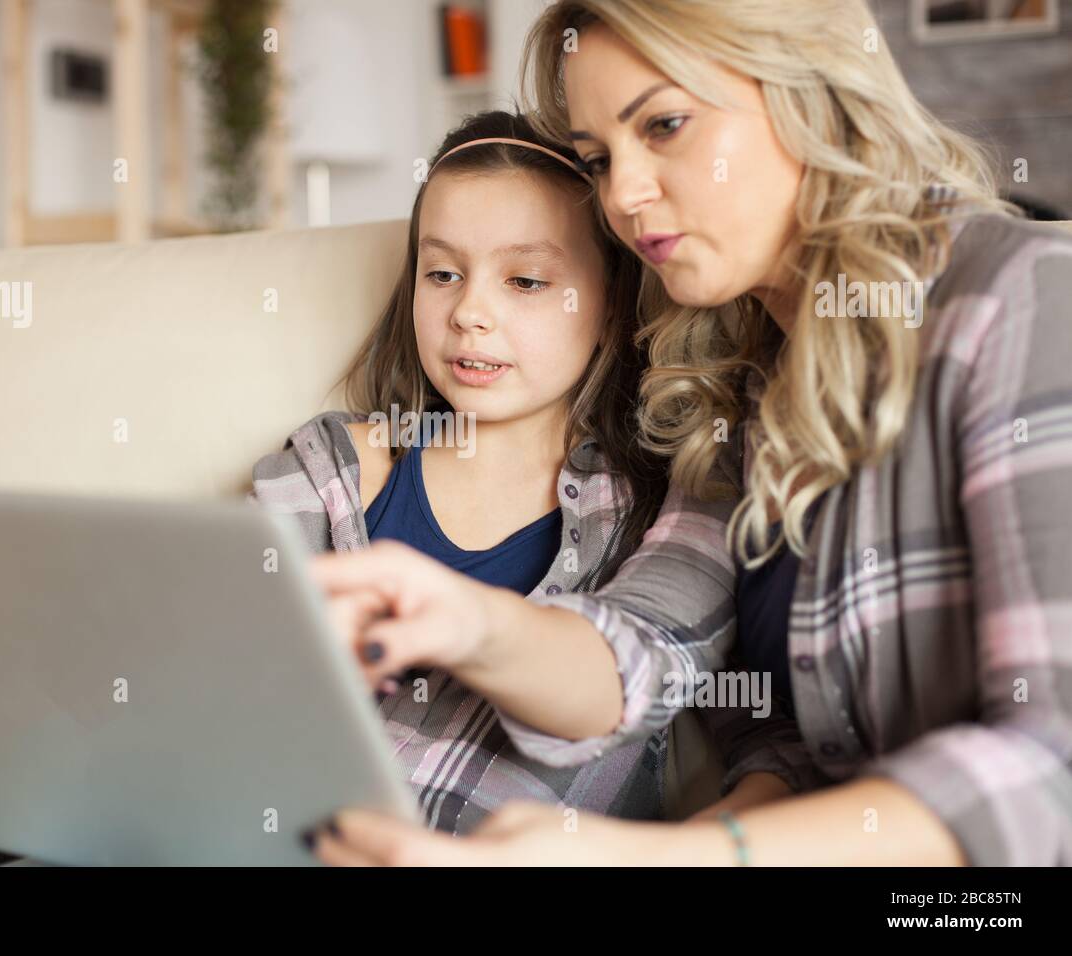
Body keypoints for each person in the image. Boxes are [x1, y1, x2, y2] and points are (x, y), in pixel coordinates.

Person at [305, 0, 1072, 866]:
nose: (624, 197)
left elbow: (1052, 772)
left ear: (807, 93)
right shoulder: (745, 398)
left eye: (664, 125)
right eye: (599, 158)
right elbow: (643, 650)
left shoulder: (1024, 300)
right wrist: (469, 621)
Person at [249, 109, 796, 836]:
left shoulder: (662, 521)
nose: (469, 312)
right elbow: (213, 673)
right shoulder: (332, 472)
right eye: (442, 273)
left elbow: (773, 743)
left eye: (527, 281)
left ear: (610, 304)